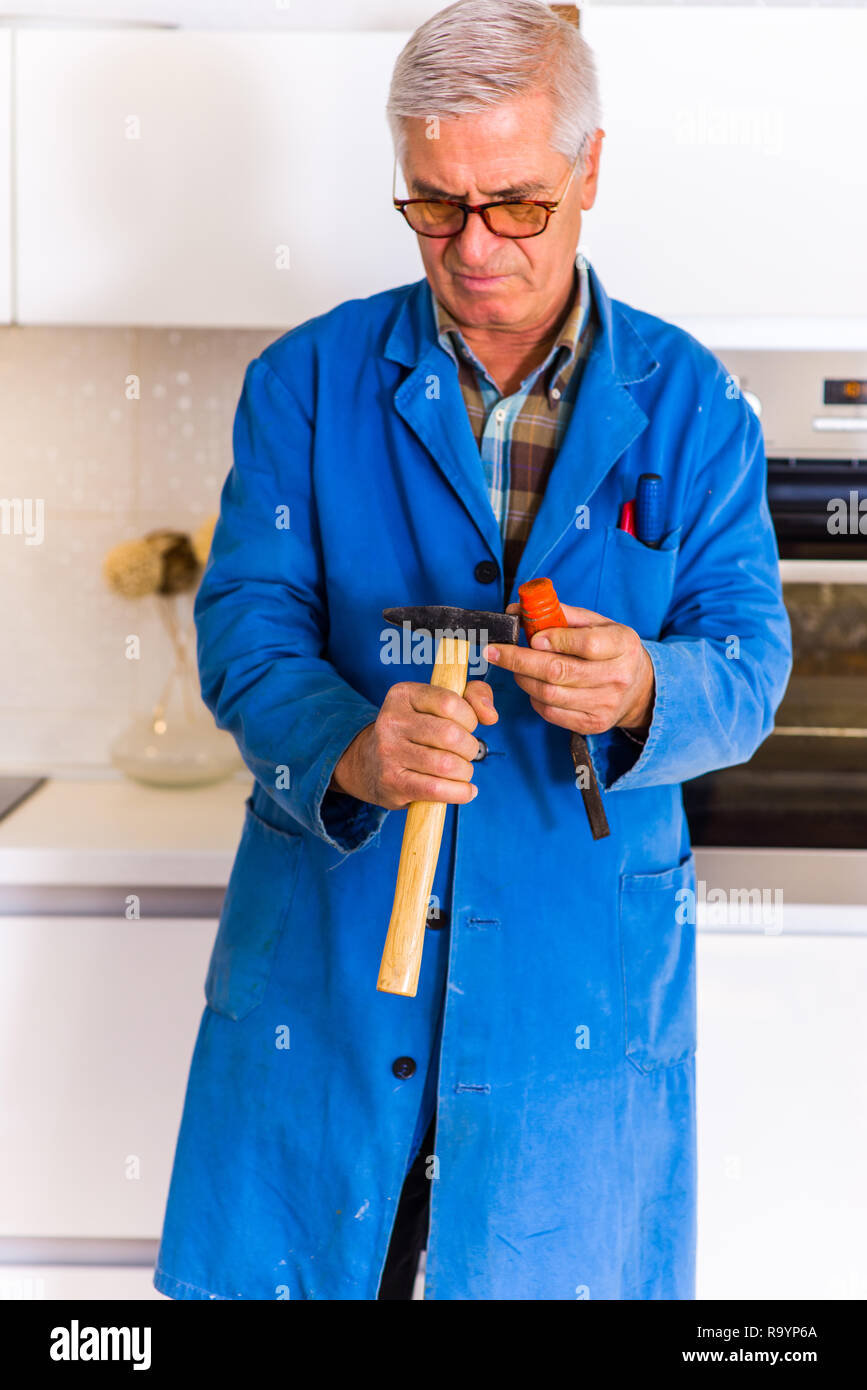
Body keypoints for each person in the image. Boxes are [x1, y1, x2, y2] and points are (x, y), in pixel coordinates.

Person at [154, 0, 791, 1301]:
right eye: (435, 206)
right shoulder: (305, 382)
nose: (476, 246)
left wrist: (649, 686)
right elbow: (246, 630)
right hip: (334, 985)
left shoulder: (697, 404)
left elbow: (750, 663)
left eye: (517, 204)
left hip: (576, 1003)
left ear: (590, 170)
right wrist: (348, 742)